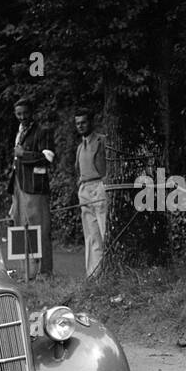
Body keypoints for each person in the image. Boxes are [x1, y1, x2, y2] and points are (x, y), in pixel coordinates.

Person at [9, 98, 53, 277]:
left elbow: (47, 158)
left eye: (25, 113)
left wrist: (23, 154)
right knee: (20, 226)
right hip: (18, 186)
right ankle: (27, 272)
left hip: (35, 187)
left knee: (39, 228)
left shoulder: (42, 131)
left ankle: (44, 272)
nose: (22, 117)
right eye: (18, 114)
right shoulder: (19, 131)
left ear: (32, 112)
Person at [74, 109, 107, 278]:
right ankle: (94, 274)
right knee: (92, 235)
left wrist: (104, 184)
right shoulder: (80, 146)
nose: (80, 126)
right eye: (78, 123)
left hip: (99, 187)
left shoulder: (102, 141)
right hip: (85, 190)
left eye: (83, 122)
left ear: (91, 122)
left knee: (105, 231)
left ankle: (109, 272)